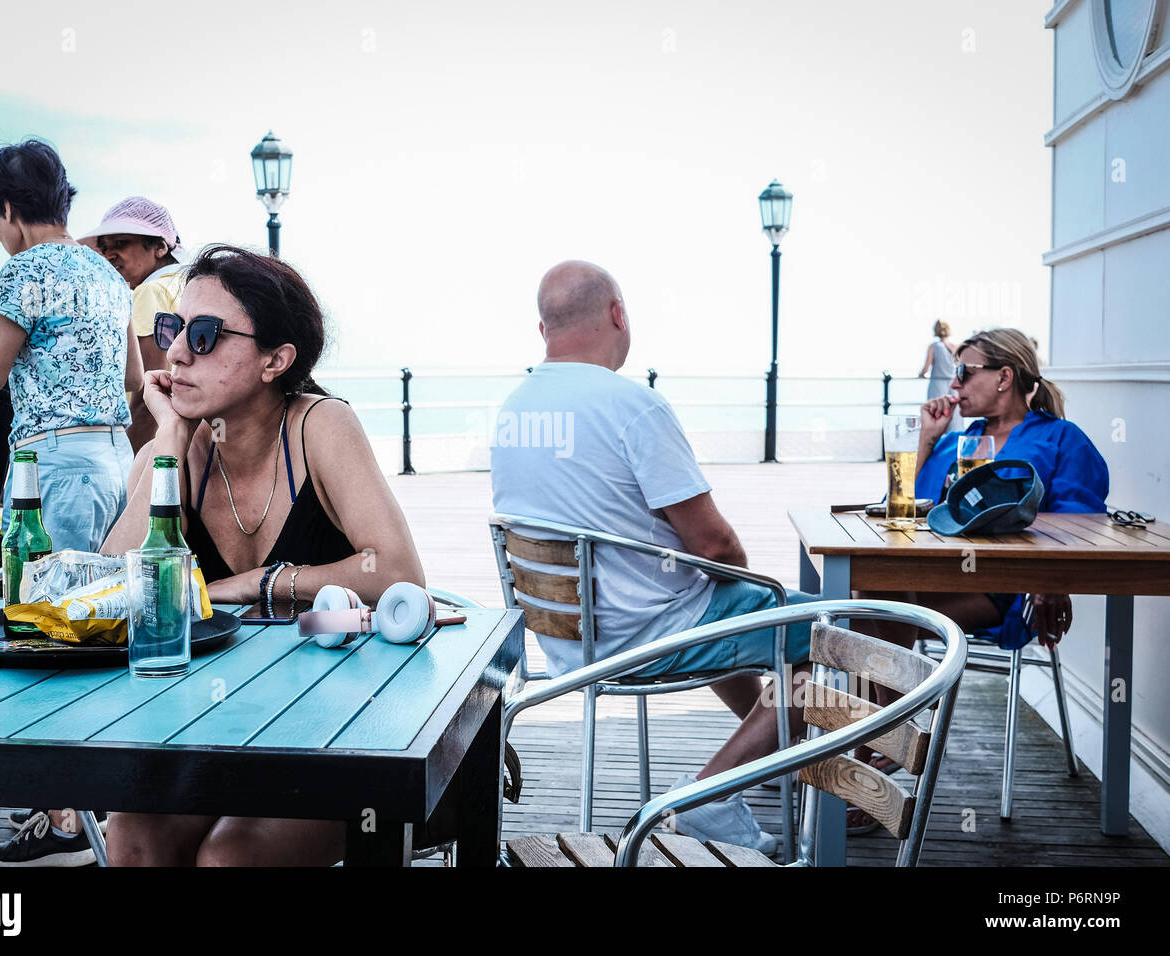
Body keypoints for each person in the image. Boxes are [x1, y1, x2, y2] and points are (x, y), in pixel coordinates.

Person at [101, 244, 425, 866]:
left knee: (230, 859)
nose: (174, 353)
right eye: (172, 330)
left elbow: (396, 573)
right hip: (220, 725)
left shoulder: (319, 428)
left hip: (342, 724)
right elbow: (116, 586)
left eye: (204, 335)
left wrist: (258, 582)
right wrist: (168, 439)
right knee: (135, 836)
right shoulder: (179, 451)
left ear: (276, 359)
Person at [490, 260, 817, 853]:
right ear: (618, 314)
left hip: (571, 642)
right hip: (650, 634)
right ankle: (711, 796)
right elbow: (716, 547)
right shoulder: (633, 406)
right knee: (839, 627)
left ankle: (766, 757)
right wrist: (751, 588)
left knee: (738, 612)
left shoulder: (513, 410)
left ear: (544, 329)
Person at [0, 138, 140, 866]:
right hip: (112, 458)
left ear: (10, 210)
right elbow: (135, 378)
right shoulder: (109, 277)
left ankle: (64, 816)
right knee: (95, 616)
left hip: (55, 464)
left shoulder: (24, 271)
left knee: (50, 629)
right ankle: (85, 796)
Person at [851, 327, 1109, 831]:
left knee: (870, 608)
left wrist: (1053, 580)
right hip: (937, 581)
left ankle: (873, 751)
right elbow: (911, 514)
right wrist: (926, 439)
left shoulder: (1060, 439)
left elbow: (1083, 523)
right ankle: (890, 736)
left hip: (1008, 593)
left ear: (1004, 377)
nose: (955, 385)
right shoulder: (959, 442)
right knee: (867, 600)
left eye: (965, 372)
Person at [79, 197, 187, 452]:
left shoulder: (149, 292)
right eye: (104, 248)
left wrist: (130, 470)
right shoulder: (188, 284)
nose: (109, 255)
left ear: (160, 247)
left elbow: (149, 395)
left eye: (121, 243)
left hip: (156, 445)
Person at [919, 319, 961, 430]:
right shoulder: (956, 347)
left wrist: (921, 375)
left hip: (938, 384)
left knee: (936, 413)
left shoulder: (934, 346)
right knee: (955, 417)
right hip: (954, 385)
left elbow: (925, 369)